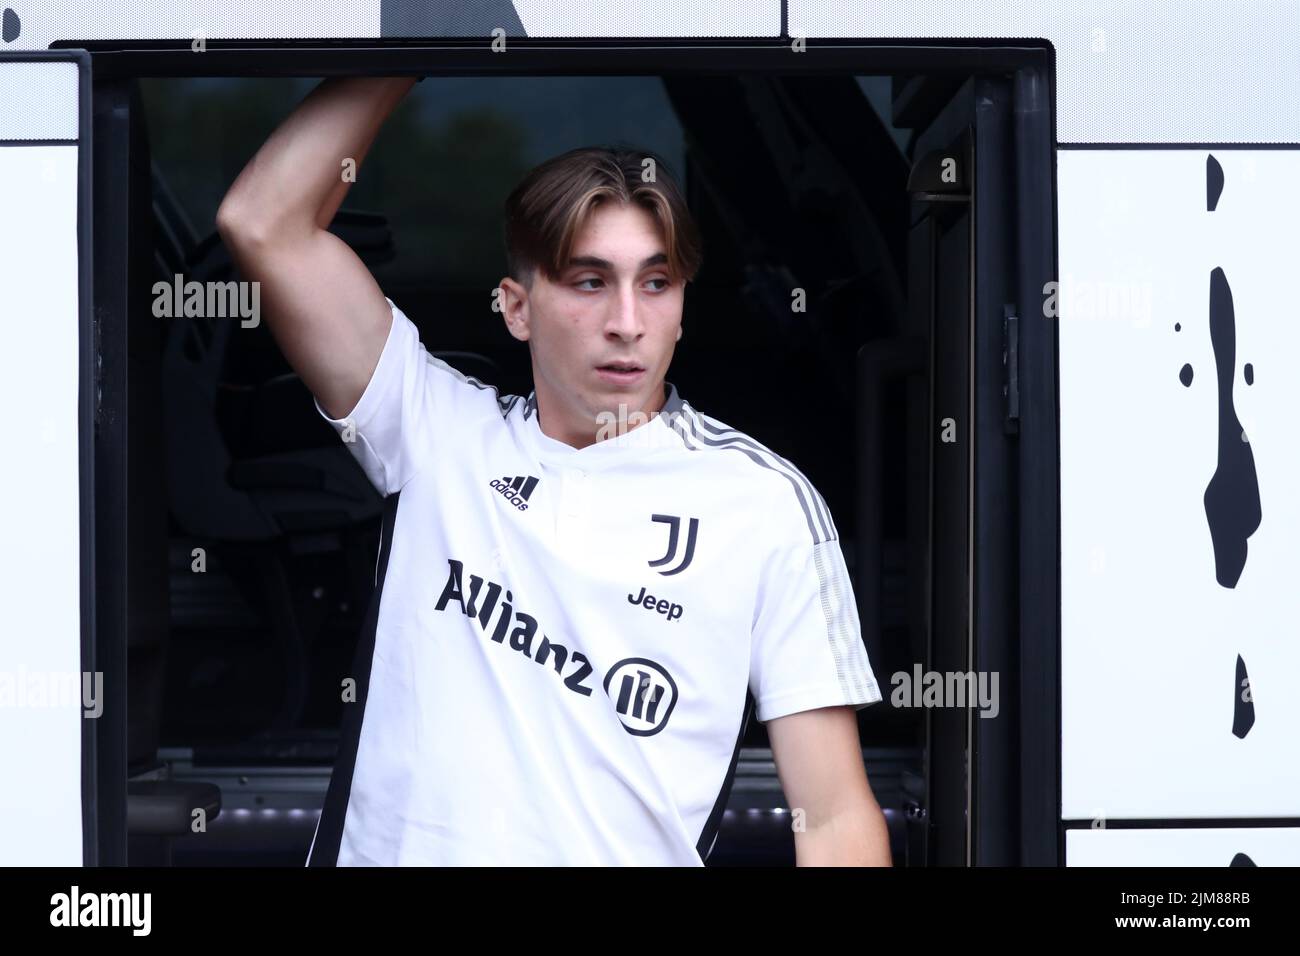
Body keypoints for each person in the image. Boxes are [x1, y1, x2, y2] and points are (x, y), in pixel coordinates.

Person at [216, 76, 889, 866]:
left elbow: (836, 817)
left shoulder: (763, 503)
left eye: (656, 284)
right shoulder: (438, 431)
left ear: (682, 308)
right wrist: (420, 39)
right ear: (516, 307)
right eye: (589, 281)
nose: (627, 323)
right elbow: (262, 222)